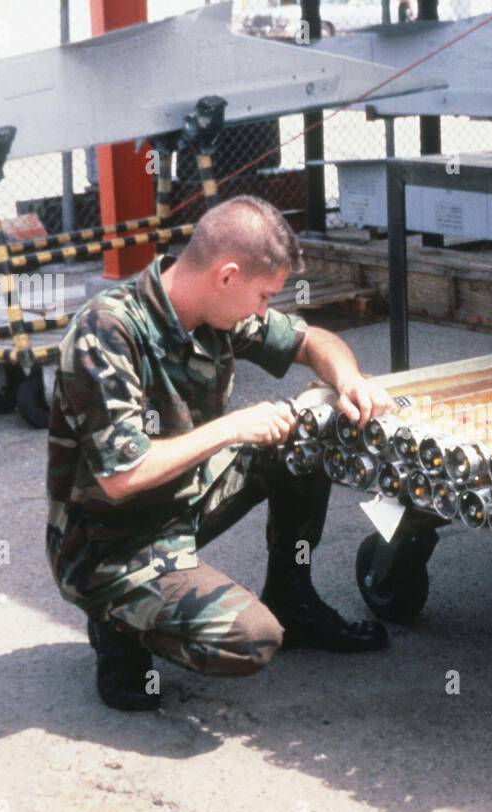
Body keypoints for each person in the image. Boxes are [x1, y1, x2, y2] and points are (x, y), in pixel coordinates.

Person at [46, 195, 396, 711]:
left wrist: (348, 380)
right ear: (227, 275)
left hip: (177, 503)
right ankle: (118, 626)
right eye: (262, 296)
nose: (263, 310)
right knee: (251, 640)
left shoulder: (213, 311)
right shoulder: (107, 331)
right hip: (109, 541)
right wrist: (234, 428)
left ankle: (293, 597)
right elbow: (124, 476)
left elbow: (311, 340)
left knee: (303, 433)